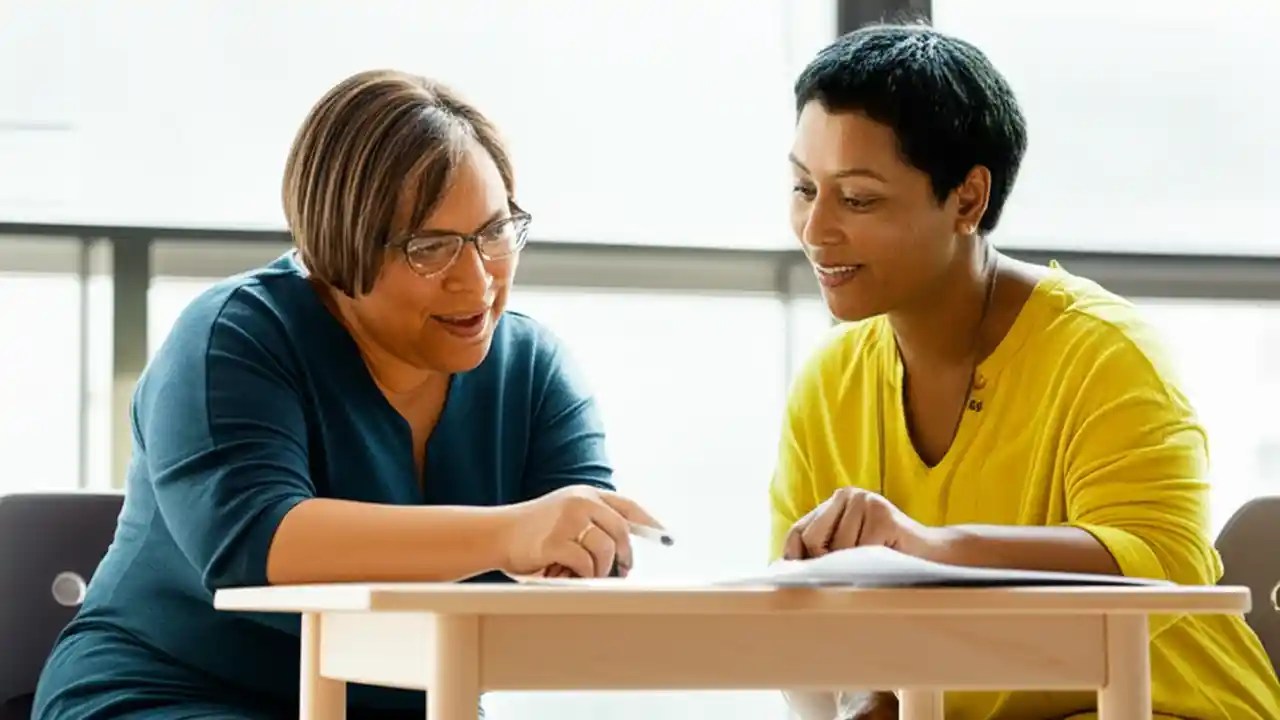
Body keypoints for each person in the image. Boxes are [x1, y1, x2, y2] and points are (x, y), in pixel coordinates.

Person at [33, 69, 662, 719]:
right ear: (340, 243)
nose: (477, 279)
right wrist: (510, 535)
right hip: (172, 691)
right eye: (431, 247)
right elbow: (255, 541)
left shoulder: (533, 371)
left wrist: (579, 553)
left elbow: (575, 542)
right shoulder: (233, 338)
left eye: (496, 233)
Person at [771, 23, 1280, 720]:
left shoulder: (1104, 351)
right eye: (804, 188)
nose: (814, 228)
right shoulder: (828, 387)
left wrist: (931, 552)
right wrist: (866, 695)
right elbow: (805, 626)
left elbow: (1165, 563)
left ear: (968, 200)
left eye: (858, 199)